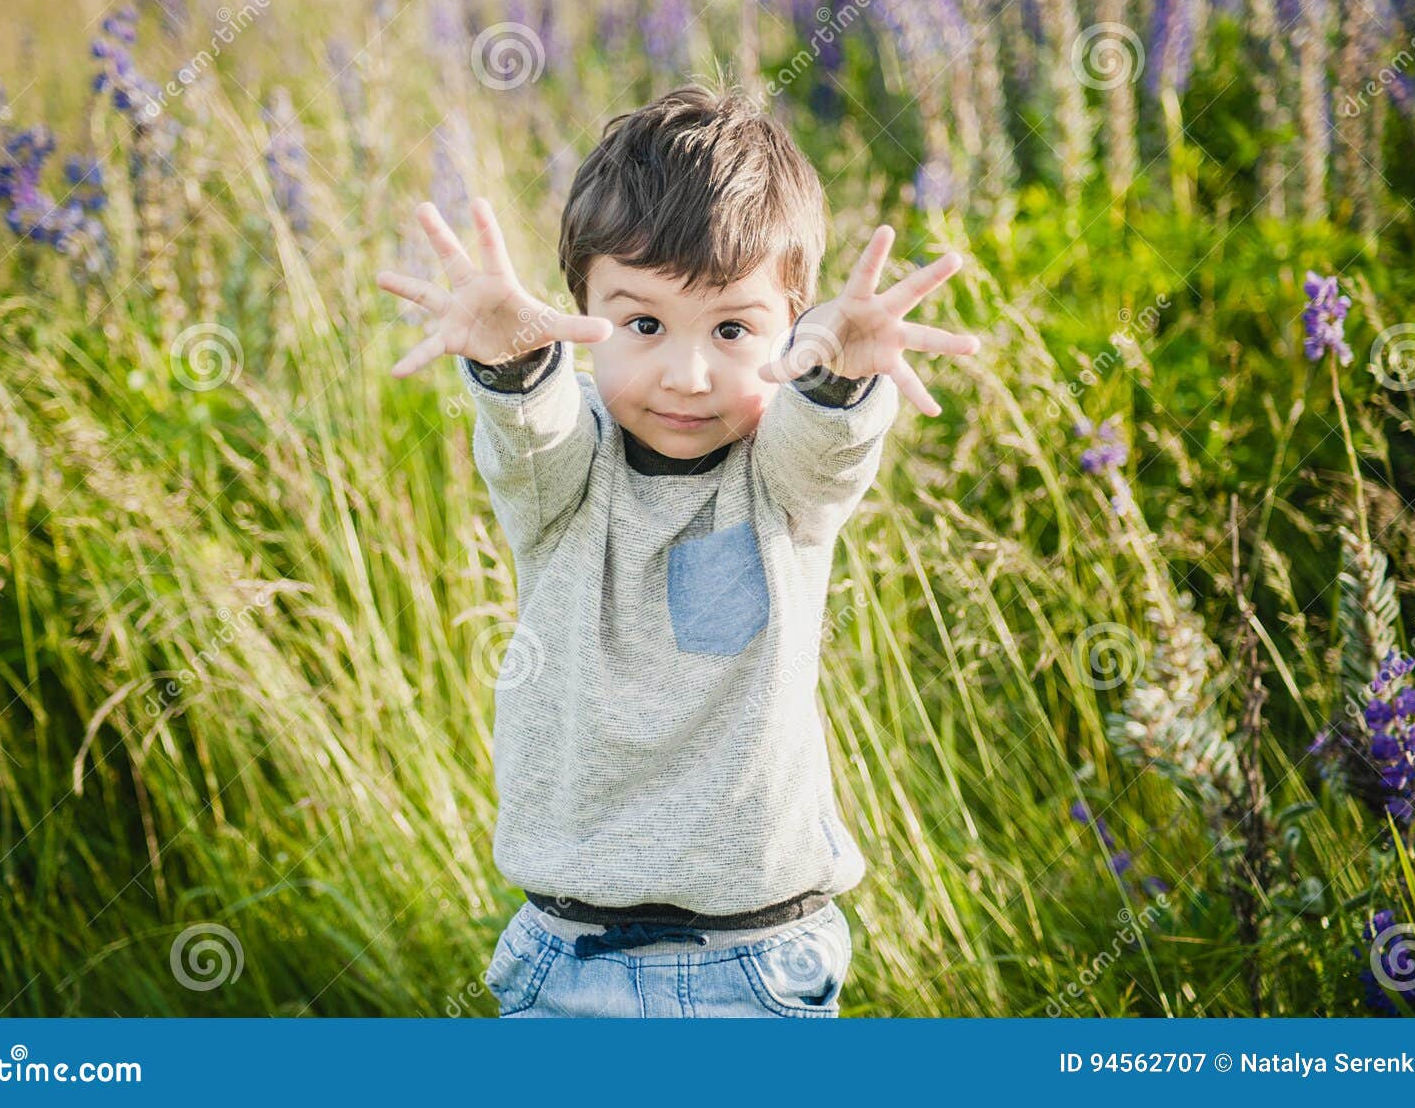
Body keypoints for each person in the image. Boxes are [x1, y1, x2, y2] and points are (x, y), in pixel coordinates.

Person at [375, 82, 979, 1017]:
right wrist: (509, 361)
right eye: (644, 324)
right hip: (567, 958)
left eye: (734, 329)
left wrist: (840, 369)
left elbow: (827, 446)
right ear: (579, 313)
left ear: (790, 328)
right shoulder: (567, 479)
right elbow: (531, 432)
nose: (688, 375)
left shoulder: (780, 479)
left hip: (759, 959)